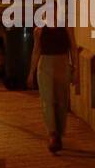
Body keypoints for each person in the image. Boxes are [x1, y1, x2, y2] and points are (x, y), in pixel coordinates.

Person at [27, 17, 78, 153]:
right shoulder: (39, 30)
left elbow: (73, 47)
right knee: (47, 100)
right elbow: (36, 50)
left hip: (62, 64)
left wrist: (75, 69)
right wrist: (31, 72)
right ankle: (53, 134)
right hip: (45, 66)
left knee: (62, 102)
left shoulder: (66, 27)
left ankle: (59, 132)